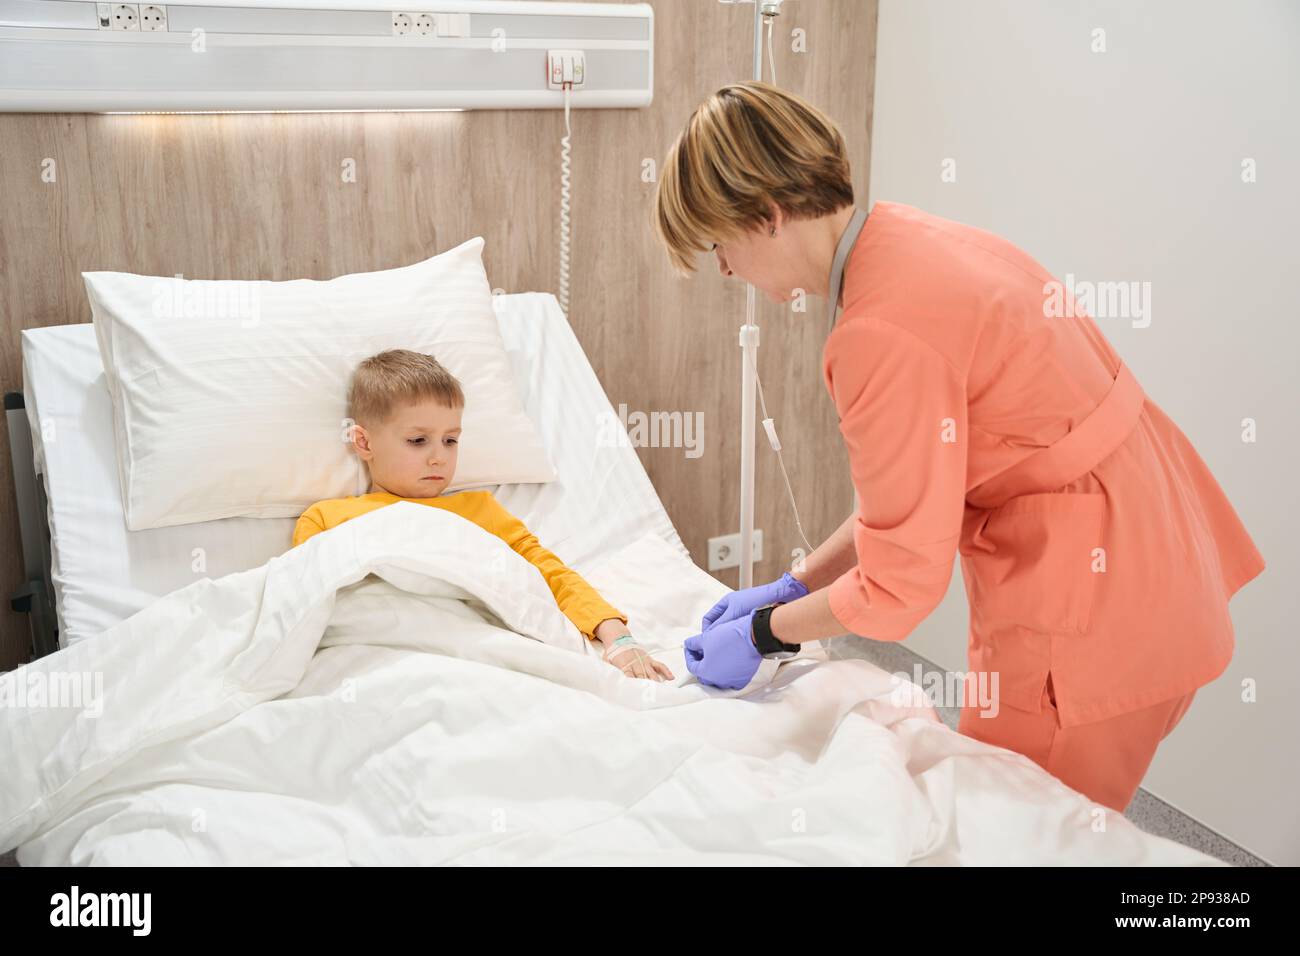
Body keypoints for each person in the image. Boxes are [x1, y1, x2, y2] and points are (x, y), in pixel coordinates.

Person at [654, 81, 1264, 811]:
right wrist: (797, 582)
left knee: (1013, 830)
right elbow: (912, 505)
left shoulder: (878, 334)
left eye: (719, 242)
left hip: (1089, 618)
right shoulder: (914, 240)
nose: (724, 269)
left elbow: (898, 588)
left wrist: (765, 632)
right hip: (1162, 558)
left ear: (768, 216)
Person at [292, 349, 674, 682]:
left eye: (451, 439)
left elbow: (550, 574)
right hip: (381, 657)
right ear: (363, 441)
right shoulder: (327, 519)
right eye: (418, 440)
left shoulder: (480, 511)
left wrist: (616, 636)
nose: (439, 456)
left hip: (482, 651)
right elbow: (302, 606)